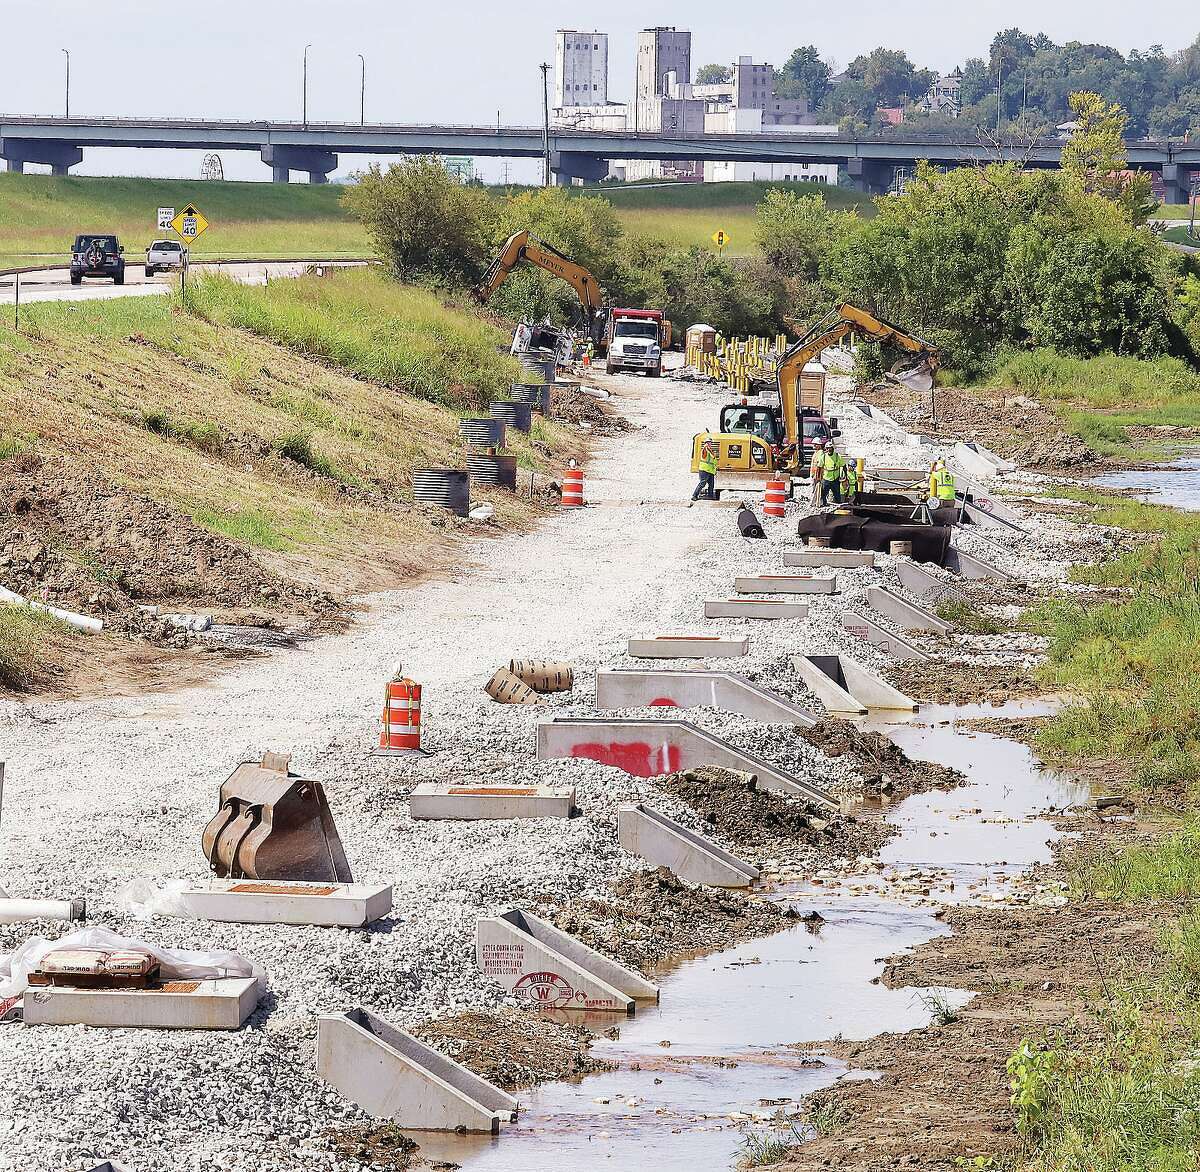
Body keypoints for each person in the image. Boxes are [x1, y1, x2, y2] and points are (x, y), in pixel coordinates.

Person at [693, 430, 719, 501]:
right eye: (708, 442)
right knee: (702, 483)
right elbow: (704, 454)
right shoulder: (705, 450)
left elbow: (713, 460)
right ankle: (694, 496)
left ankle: (710, 496)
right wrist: (705, 447)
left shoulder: (710, 451)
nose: (709, 444)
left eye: (710, 442)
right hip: (704, 470)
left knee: (711, 484)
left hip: (710, 470)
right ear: (705, 443)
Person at [809, 439, 826, 505]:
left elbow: (819, 465)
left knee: (818, 488)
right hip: (814, 473)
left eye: (815, 444)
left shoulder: (820, 453)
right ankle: (815, 501)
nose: (814, 445)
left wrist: (818, 475)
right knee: (814, 487)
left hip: (817, 474)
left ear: (819, 445)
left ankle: (818, 502)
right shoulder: (816, 452)